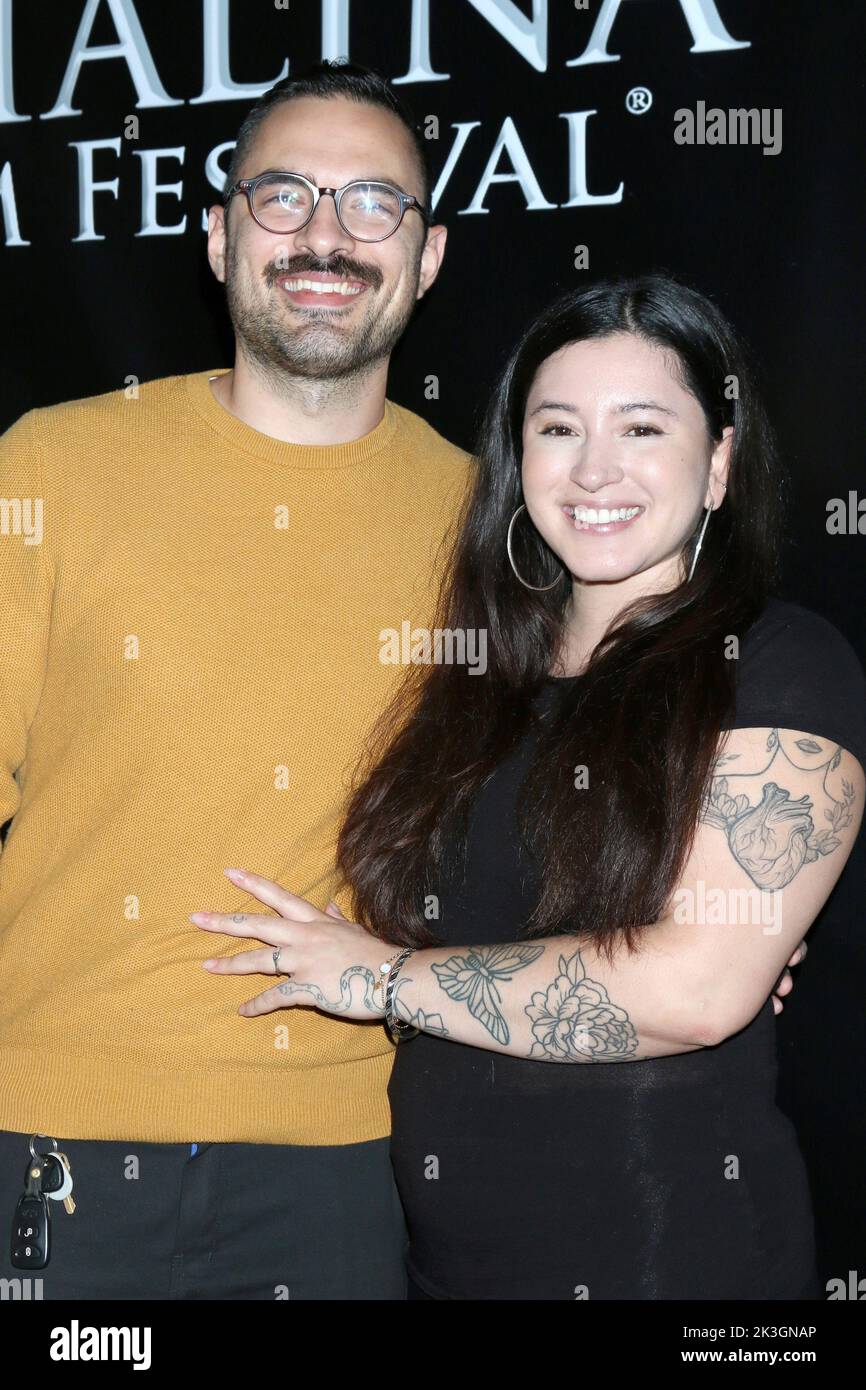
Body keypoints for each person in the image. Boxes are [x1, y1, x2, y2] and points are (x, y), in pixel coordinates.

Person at [200, 274, 866, 1300]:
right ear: (518, 462)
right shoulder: (473, 685)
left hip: (672, 1262)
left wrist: (379, 982)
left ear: (718, 462)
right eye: (556, 428)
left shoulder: (779, 664)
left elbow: (692, 991)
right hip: (442, 1270)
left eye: (642, 427)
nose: (595, 468)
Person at [0, 62, 470, 1299]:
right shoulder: (52, 463)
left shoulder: (492, 525)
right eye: (284, 195)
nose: (327, 234)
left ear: (426, 259)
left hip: (346, 1165)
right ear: (216, 238)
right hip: (48, 1136)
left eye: (377, 203)